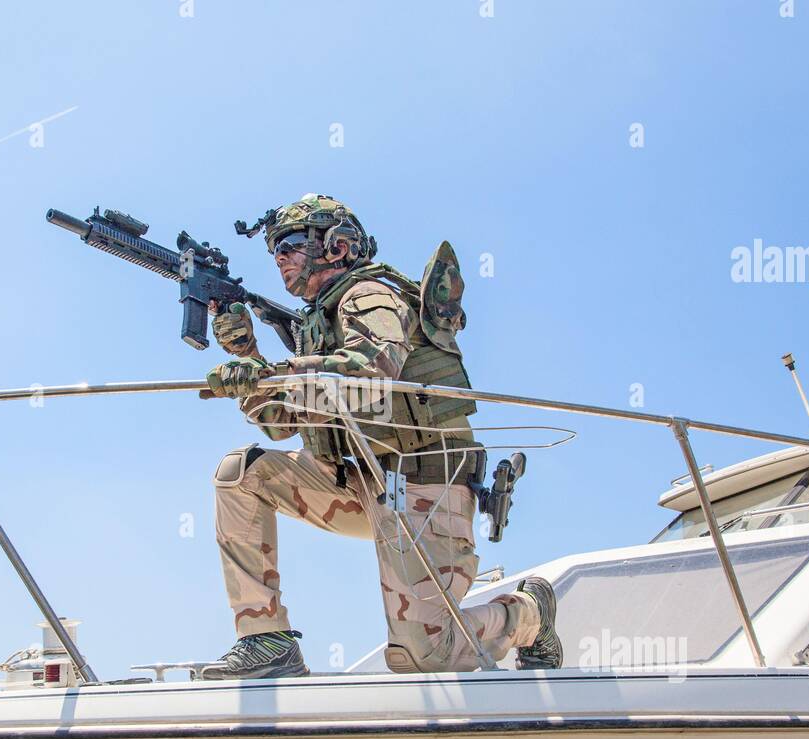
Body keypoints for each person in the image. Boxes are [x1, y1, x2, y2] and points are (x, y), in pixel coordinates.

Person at [200, 194, 561, 679]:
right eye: (275, 251)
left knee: (426, 656)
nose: (280, 258)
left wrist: (274, 370)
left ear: (336, 245)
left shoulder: (370, 295)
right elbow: (280, 425)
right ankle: (267, 641)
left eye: (289, 244)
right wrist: (247, 354)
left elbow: (372, 374)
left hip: (423, 487)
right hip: (359, 483)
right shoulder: (315, 328)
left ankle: (528, 616)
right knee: (241, 474)